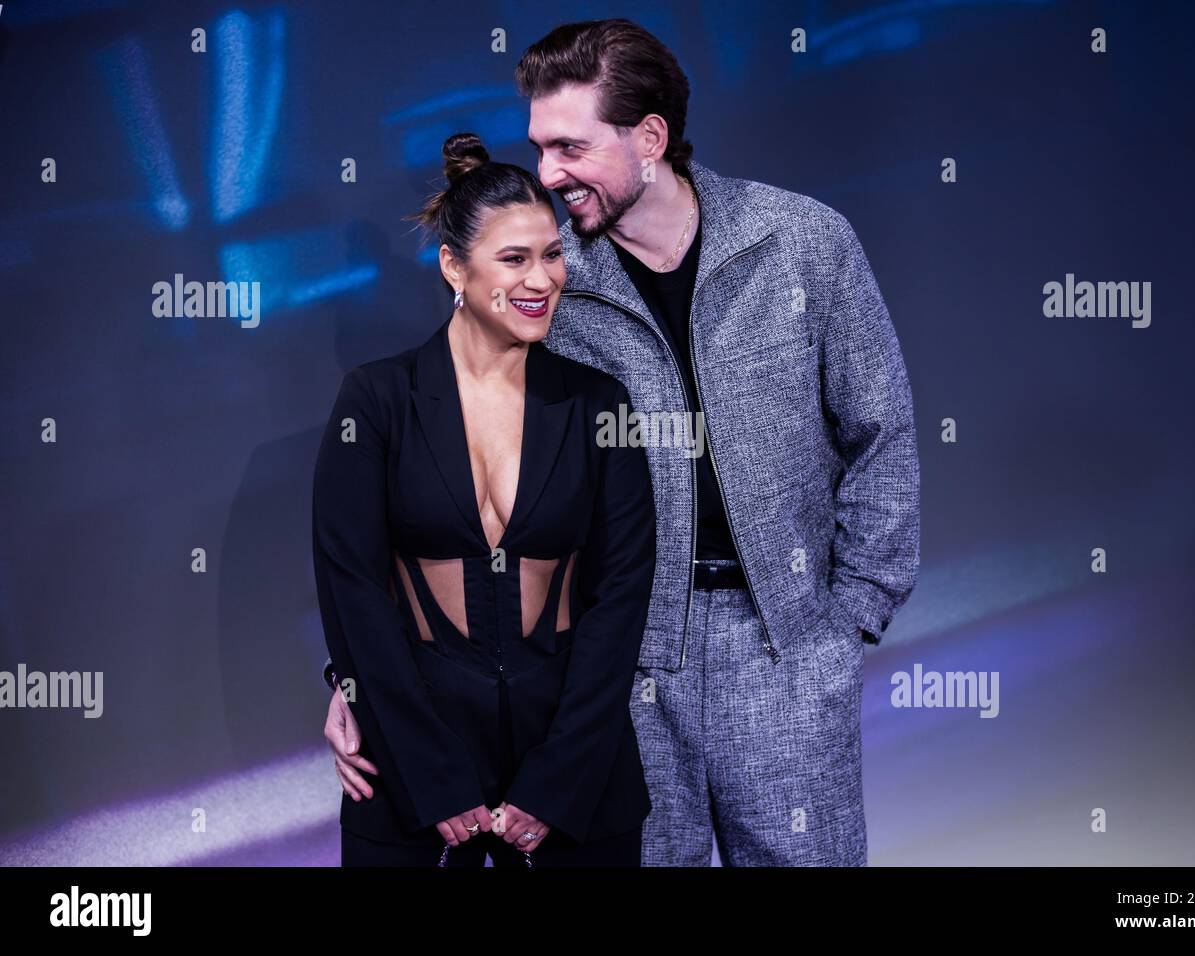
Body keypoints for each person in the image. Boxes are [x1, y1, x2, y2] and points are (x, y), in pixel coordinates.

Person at [324, 18, 920, 866]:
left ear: (650, 138)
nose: (548, 174)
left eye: (569, 147)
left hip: (782, 645)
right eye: (540, 148)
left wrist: (848, 619)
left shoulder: (802, 243)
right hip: (618, 667)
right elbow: (432, 478)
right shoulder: (544, 274)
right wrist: (349, 682)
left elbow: (883, 430)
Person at [313, 131, 655, 867]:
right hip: (411, 760)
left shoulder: (600, 403)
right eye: (514, 258)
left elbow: (622, 596)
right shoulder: (375, 400)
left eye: (553, 253)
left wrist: (557, 783)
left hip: (575, 756)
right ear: (453, 268)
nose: (544, 279)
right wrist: (427, 773)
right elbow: (354, 591)